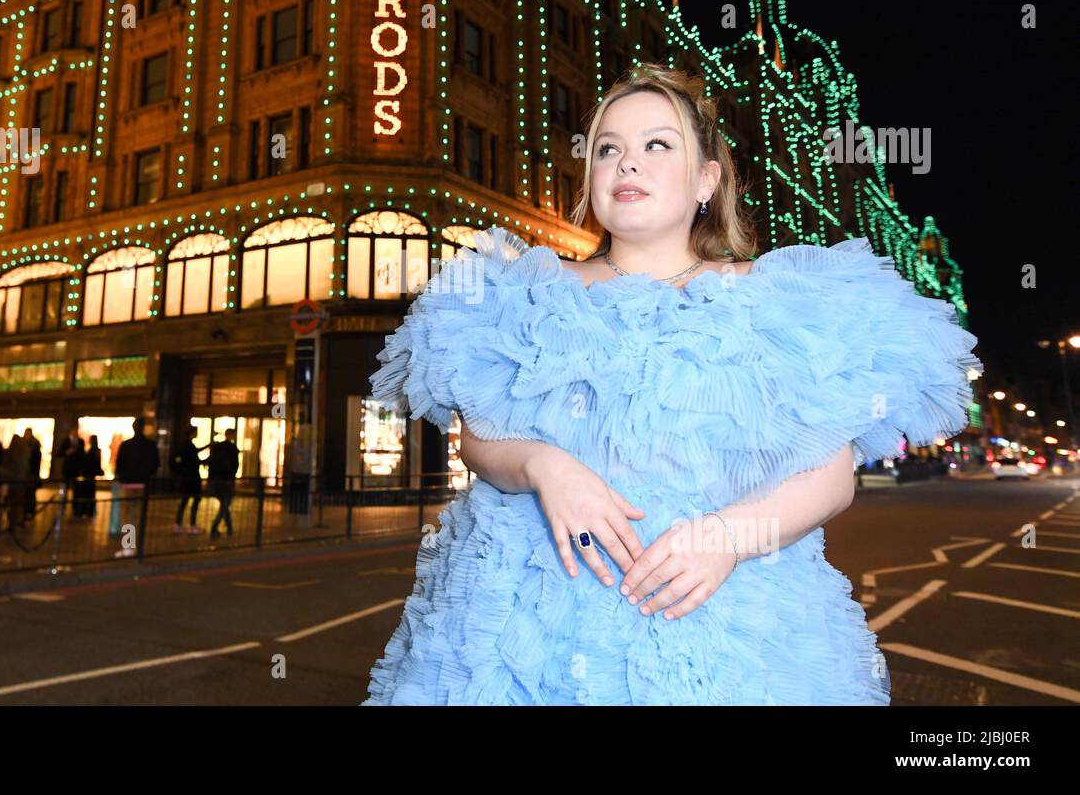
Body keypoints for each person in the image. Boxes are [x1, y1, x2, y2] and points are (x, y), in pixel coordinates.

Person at [361, 63, 981, 705]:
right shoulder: (526, 295)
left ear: (706, 179)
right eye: (609, 149)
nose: (628, 164)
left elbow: (828, 481)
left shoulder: (776, 304)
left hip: (727, 622)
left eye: (658, 144)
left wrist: (724, 538)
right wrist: (544, 465)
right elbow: (479, 443)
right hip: (530, 620)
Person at [111, 419, 159, 540]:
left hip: (127, 483)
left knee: (127, 516)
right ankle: (137, 543)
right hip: (143, 483)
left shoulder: (126, 445)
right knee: (139, 516)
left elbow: (119, 465)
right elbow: (155, 464)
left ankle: (128, 544)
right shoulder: (150, 445)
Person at [170, 425, 208, 533]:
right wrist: (204, 461)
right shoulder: (188, 446)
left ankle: (178, 524)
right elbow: (193, 461)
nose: (197, 434)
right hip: (192, 478)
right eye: (196, 432)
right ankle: (192, 524)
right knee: (194, 500)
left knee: (184, 501)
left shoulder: (185, 445)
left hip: (186, 477)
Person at [207, 431, 240, 538]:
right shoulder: (231, 449)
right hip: (226, 480)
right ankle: (215, 527)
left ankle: (229, 528)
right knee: (225, 505)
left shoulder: (218, 447)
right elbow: (235, 465)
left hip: (216, 480)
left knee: (224, 505)